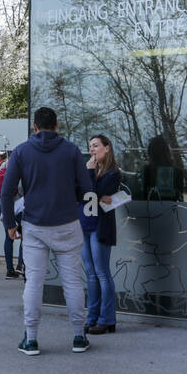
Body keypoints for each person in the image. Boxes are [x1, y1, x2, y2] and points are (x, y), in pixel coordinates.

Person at [2, 106, 94, 356]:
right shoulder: (72, 151)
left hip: (33, 226)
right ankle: (78, 336)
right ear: (56, 126)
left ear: (34, 127)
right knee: (73, 282)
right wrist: (73, 200)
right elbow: (86, 189)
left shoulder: (21, 151)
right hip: (67, 224)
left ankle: (31, 339)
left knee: (34, 282)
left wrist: (10, 224)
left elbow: (6, 191)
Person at [80, 135, 121, 335]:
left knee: (102, 273)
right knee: (90, 274)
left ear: (107, 148)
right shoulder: (89, 170)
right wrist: (90, 179)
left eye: (96, 146)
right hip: (85, 226)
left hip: (100, 228)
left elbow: (93, 195)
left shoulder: (113, 173)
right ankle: (92, 317)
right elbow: (84, 194)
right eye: (90, 146)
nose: (92, 150)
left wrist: (89, 175)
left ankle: (107, 320)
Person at [0, 153, 25, 279]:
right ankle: (21, 265)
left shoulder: (3, 165)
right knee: (24, 236)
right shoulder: (21, 166)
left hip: (4, 206)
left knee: (8, 237)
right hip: (19, 206)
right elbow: (22, 188)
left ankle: (9, 270)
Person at [142, 135, 181, 201]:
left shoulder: (147, 170)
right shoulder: (177, 171)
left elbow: (144, 194)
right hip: (171, 208)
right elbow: (178, 197)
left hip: (150, 208)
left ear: (151, 153)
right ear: (167, 151)